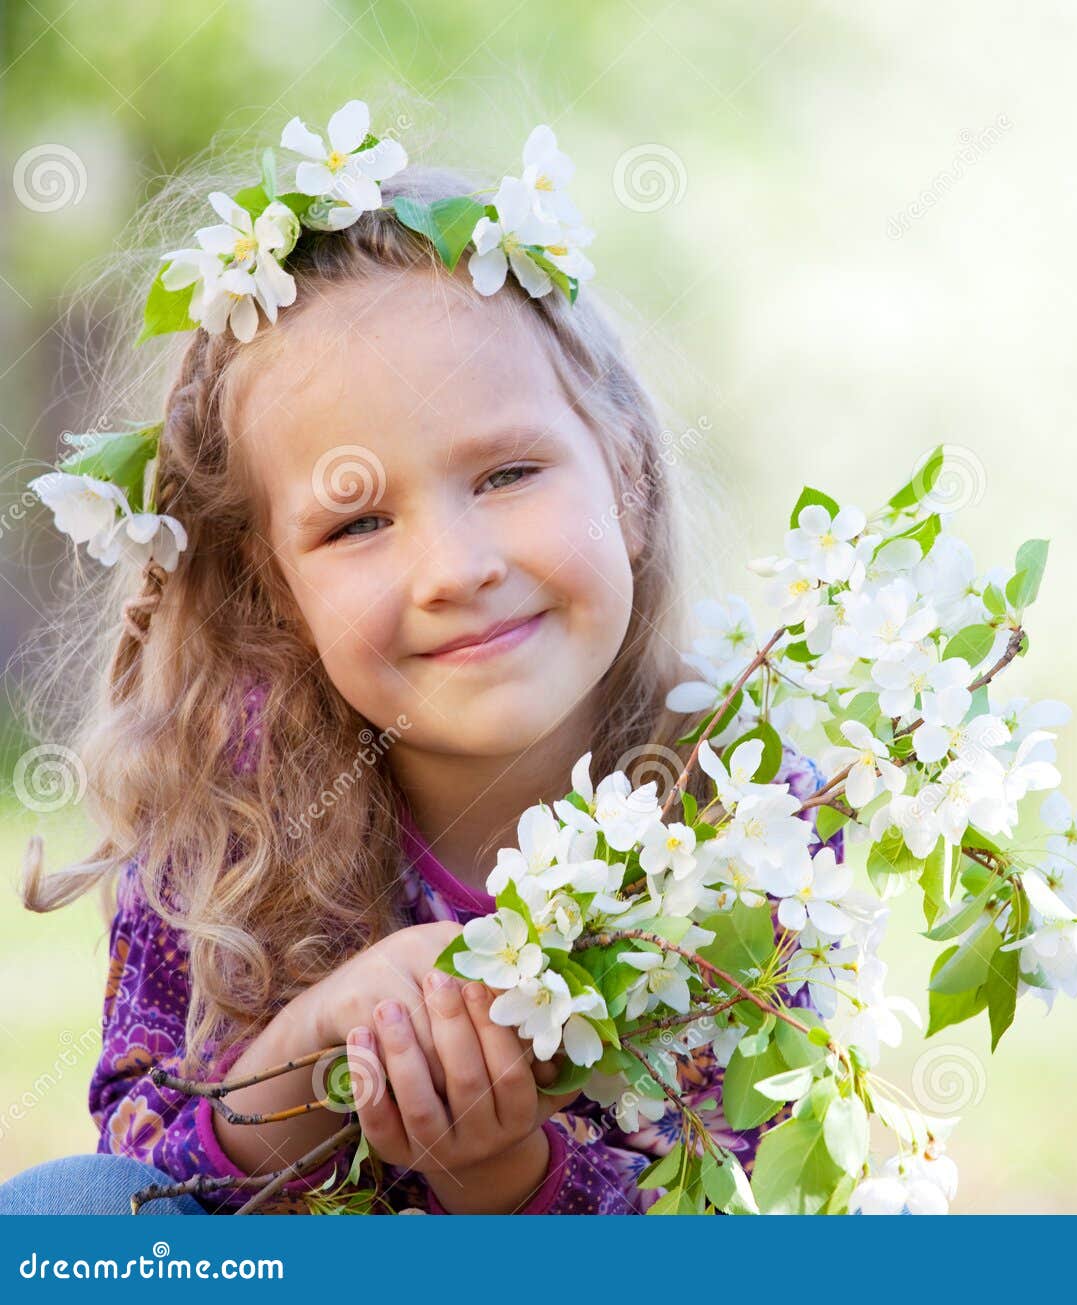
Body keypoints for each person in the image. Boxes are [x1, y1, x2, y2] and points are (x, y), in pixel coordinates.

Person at [1, 102, 839, 1215]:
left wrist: (504, 1179)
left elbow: (751, 1211)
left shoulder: (752, 828)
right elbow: (145, 1155)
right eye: (356, 525)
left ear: (627, 478)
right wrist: (312, 1050)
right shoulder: (223, 808)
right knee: (71, 1212)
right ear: (276, 597)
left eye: (506, 475)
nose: (455, 568)